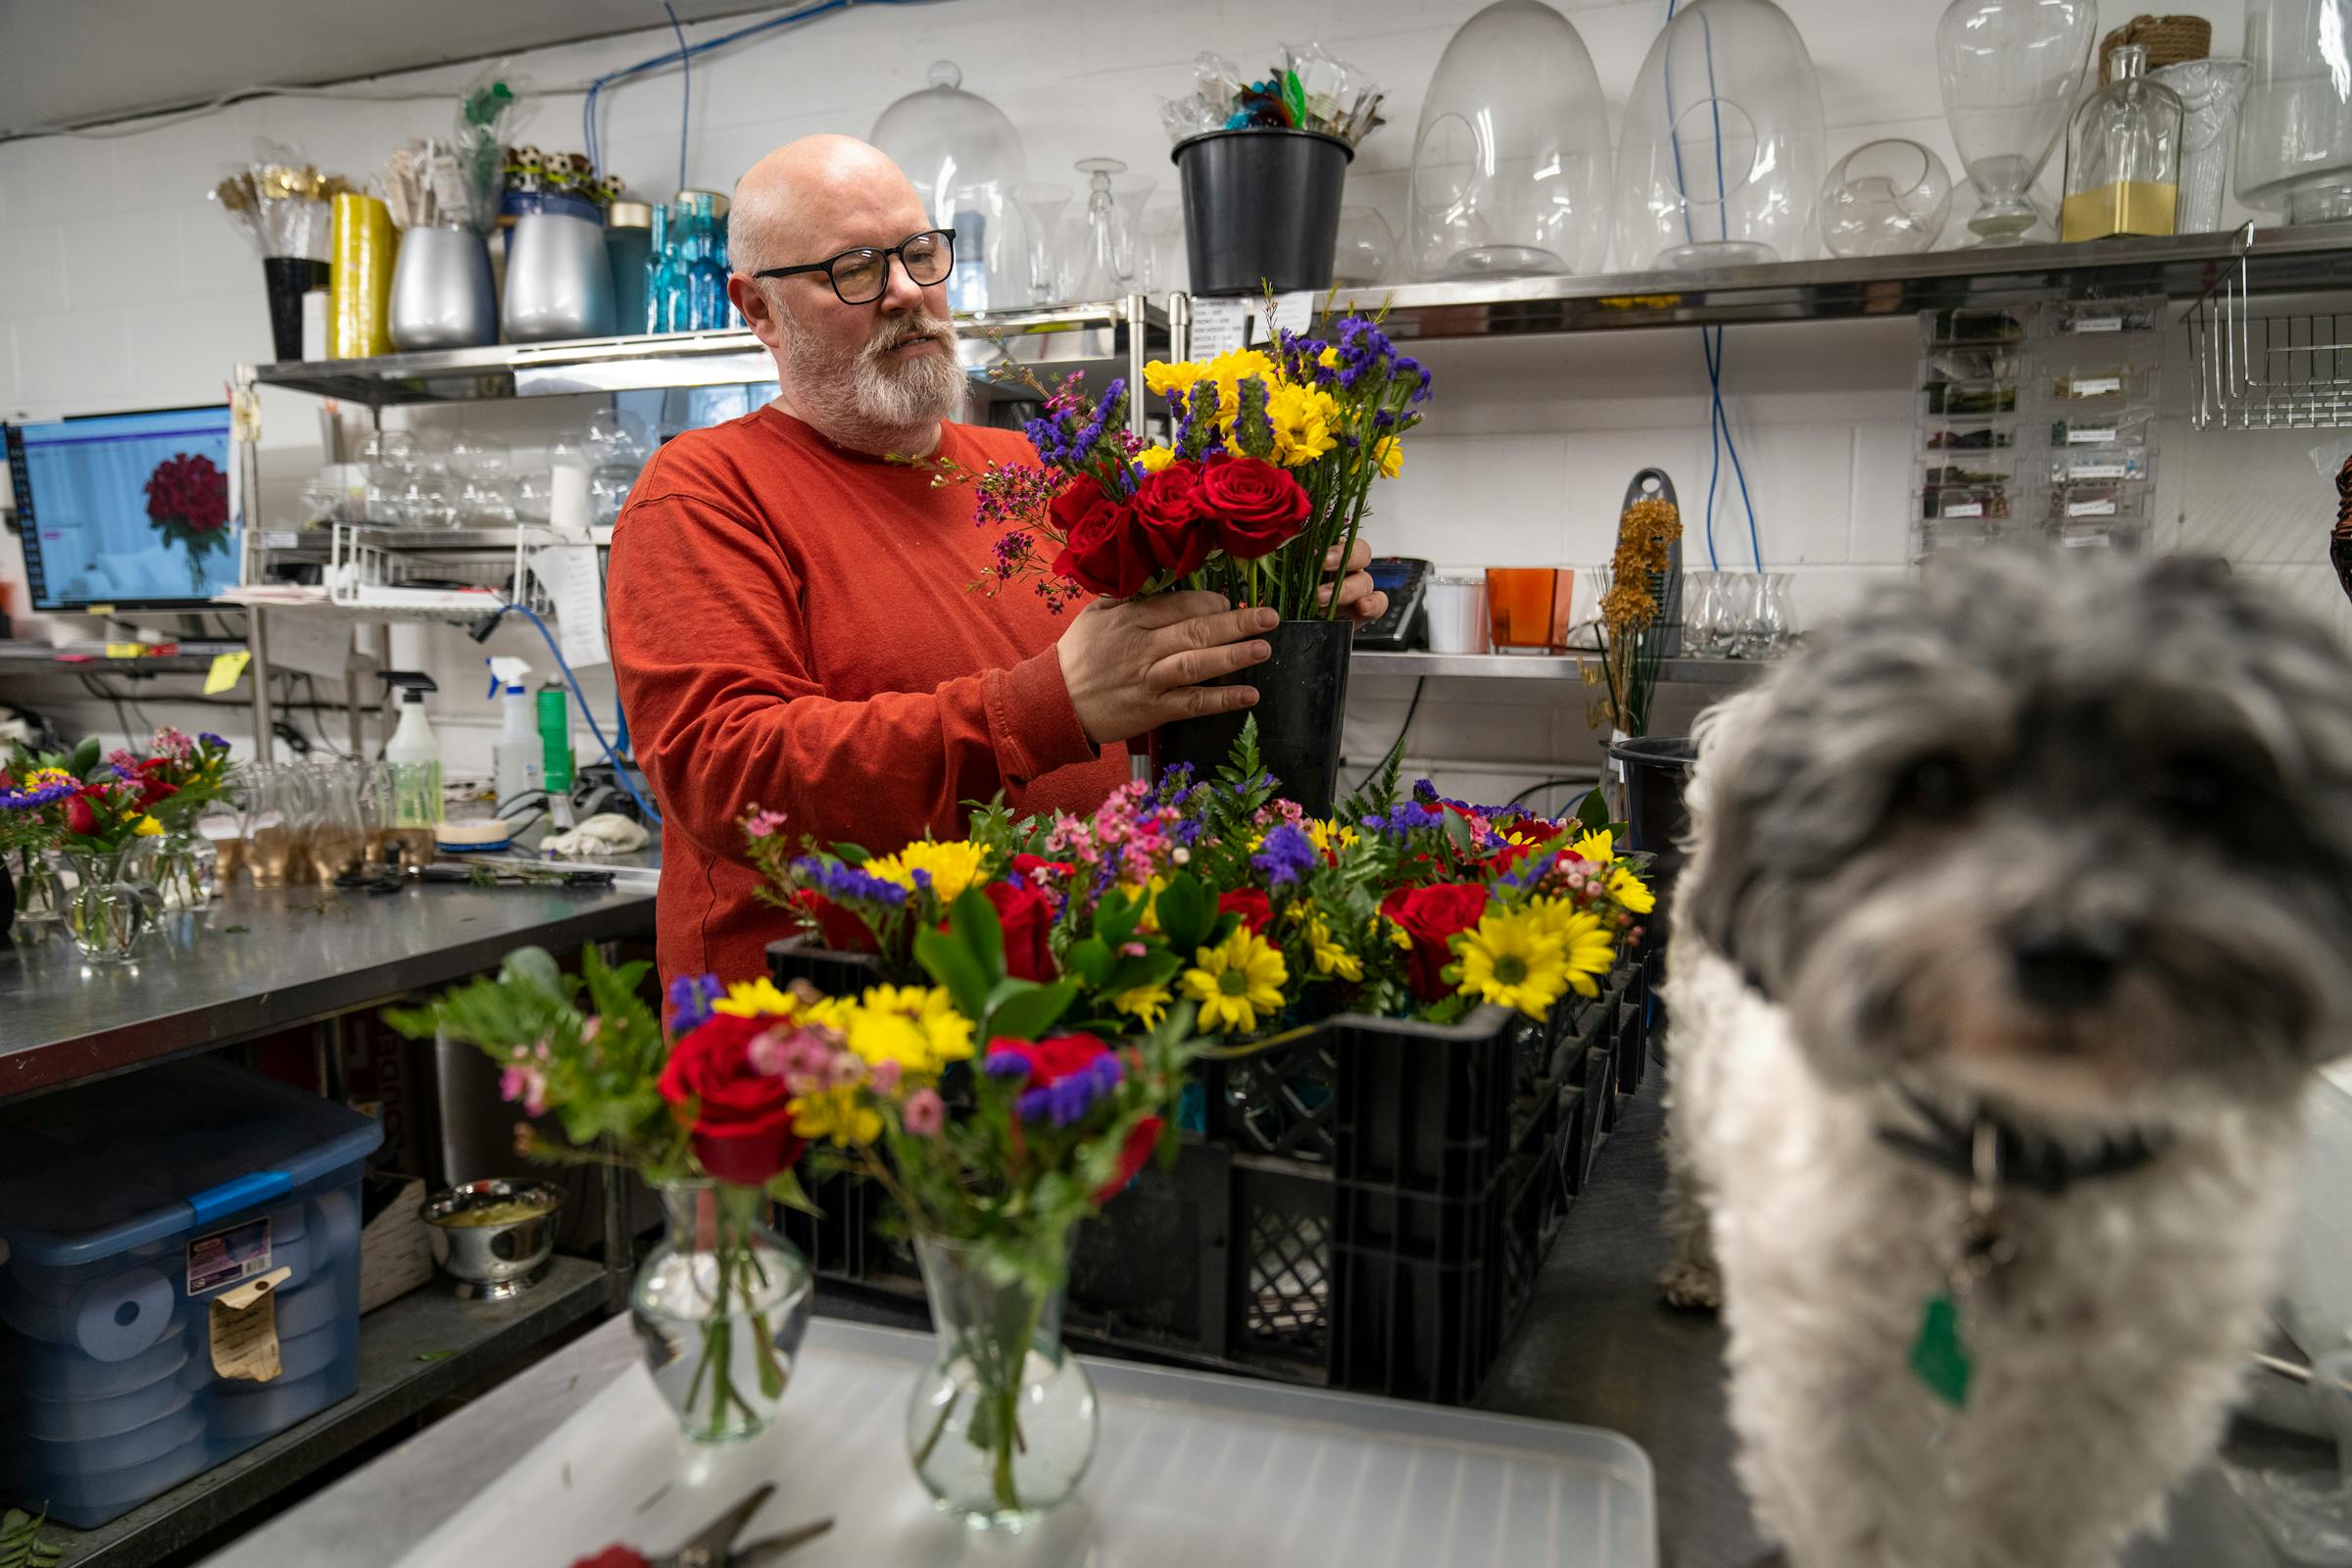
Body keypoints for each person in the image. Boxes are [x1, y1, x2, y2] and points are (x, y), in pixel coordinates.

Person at [606, 135, 1387, 984]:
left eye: (918, 253)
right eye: (855, 269)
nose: (907, 292)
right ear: (758, 310)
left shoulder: (1037, 472)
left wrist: (1274, 605)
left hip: (1059, 1008)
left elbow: (1152, 693)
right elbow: (729, 772)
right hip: (825, 1036)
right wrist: (1044, 706)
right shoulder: (702, 493)